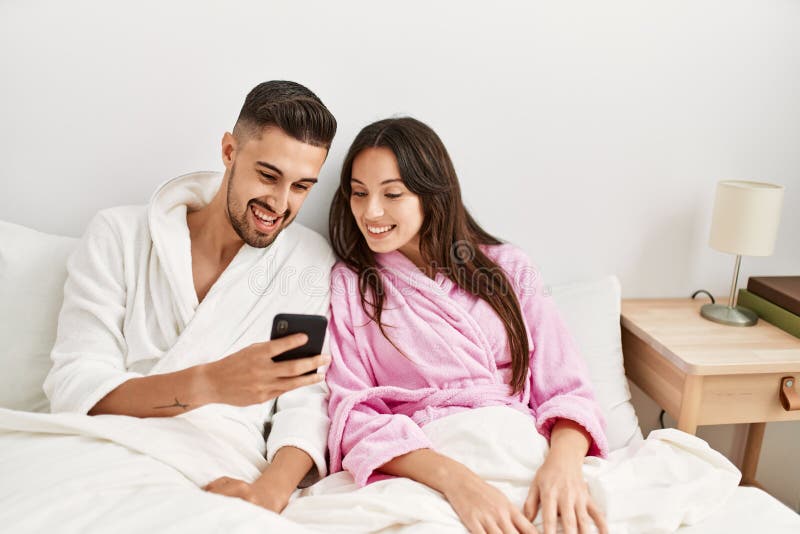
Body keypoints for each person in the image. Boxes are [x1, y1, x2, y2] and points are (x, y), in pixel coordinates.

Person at [42, 80, 337, 513]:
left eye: (301, 186)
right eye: (268, 176)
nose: (279, 203)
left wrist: (269, 494)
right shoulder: (120, 235)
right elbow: (73, 387)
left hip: (219, 468)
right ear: (229, 151)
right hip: (102, 447)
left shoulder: (308, 261)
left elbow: (307, 404)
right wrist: (211, 383)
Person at [326, 117, 609, 534]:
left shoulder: (509, 268)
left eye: (392, 194)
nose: (371, 211)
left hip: (522, 449)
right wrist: (459, 483)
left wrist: (563, 468)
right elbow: (352, 416)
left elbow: (568, 390)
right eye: (359, 193)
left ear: (431, 194)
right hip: (426, 463)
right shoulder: (352, 283)